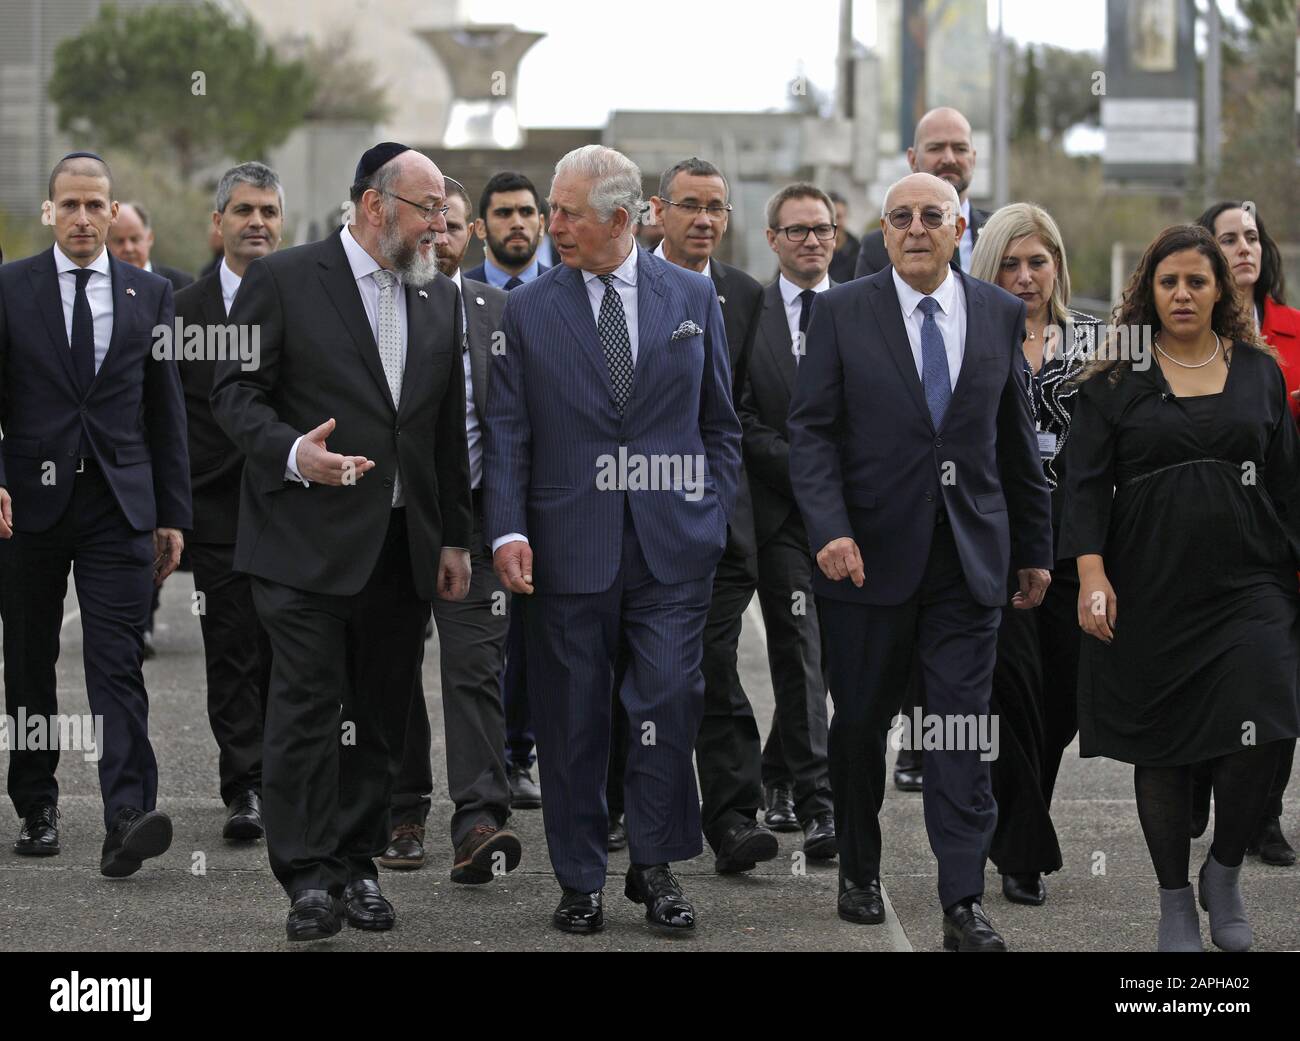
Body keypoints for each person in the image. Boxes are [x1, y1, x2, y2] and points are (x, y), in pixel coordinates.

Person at [211, 142, 474, 941]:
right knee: (304, 713)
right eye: (428, 209)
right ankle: (307, 879)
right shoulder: (285, 280)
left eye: (442, 212)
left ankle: (357, 866)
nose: (440, 225)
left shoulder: (439, 299)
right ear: (373, 205)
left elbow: (439, 437)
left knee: (379, 716)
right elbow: (233, 392)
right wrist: (296, 453)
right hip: (303, 545)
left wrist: (454, 539)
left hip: (400, 551)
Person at [789, 172, 1053, 950]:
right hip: (864, 565)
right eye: (900, 217)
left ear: (959, 226)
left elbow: (1014, 443)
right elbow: (811, 433)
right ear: (882, 228)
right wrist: (830, 530)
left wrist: (1034, 549)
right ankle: (859, 869)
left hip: (967, 565)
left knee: (961, 733)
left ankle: (962, 898)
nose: (914, 229)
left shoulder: (999, 312)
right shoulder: (842, 312)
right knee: (862, 725)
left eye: (930, 216)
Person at [485, 144, 741, 934]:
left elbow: (720, 426)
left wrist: (710, 514)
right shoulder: (526, 310)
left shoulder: (693, 298)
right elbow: (507, 433)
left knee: (666, 700)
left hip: (672, 551)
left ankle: (657, 868)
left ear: (623, 220)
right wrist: (508, 528)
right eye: (551, 210)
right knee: (572, 718)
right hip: (567, 549)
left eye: (567, 212)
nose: (550, 224)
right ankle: (581, 876)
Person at [1061, 224, 1300, 952]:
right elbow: (1084, 484)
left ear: (1221, 289)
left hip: (1249, 583)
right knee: (1160, 747)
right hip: (1148, 586)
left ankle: (1223, 870)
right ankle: (1173, 901)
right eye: (1169, 282)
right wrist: (1092, 574)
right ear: (1148, 291)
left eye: (1198, 280)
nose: (1183, 293)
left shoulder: (1258, 371)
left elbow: (1287, 482)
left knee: (1267, 720)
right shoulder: (1114, 379)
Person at [1, 152, 190, 875]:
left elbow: (164, 411)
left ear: (115, 213)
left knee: (116, 661)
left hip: (120, 505)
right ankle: (37, 803)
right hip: (29, 503)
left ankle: (126, 816)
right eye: (69, 205)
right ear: (51, 212)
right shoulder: (10, 289)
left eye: (96, 205)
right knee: (29, 658)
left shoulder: (150, 294)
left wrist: (172, 514)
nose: (83, 217)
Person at [379, 177, 521, 880]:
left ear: (473, 236)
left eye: (455, 224)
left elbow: (518, 425)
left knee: (473, 671)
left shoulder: (501, 311)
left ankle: (478, 820)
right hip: (400, 519)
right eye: (431, 221)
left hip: (479, 517)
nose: (441, 234)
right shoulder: (383, 304)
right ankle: (403, 810)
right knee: (394, 669)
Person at [637, 156, 773, 873]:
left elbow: (749, 413)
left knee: (713, 668)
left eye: (716, 206)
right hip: (629, 526)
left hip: (714, 529)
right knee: (642, 677)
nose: (704, 219)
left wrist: (724, 512)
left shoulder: (747, 298)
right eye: (689, 204)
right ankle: (635, 811)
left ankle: (732, 818)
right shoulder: (624, 289)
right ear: (657, 211)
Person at [969, 202, 1103, 906]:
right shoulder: (970, 333)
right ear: (991, 266)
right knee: (1008, 692)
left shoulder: (1097, 342)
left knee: (1060, 702)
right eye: (1011, 263)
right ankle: (1021, 850)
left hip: (1074, 539)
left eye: (1038, 261)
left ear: (1057, 264)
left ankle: (1023, 821)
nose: (1025, 276)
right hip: (994, 537)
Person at [174, 161, 283, 842]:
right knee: (232, 648)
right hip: (216, 512)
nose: (257, 223)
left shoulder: (304, 299)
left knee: (290, 649)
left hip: (290, 507)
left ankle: (288, 779)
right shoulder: (183, 312)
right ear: (219, 224)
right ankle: (244, 784)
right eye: (243, 211)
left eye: (268, 211)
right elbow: (171, 413)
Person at [1190, 201, 1300, 867]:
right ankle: (1203, 784)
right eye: (1227, 238)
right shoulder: (1181, 337)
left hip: (1280, 539)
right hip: (1205, 536)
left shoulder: (1292, 332)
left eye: (1251, 237)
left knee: (1276, 682)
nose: (1243, 249)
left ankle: (1266, 812)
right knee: (1213, 677)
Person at [737, 182, 839, 858]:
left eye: (821, 228)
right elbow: (738, 415)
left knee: (828, 662)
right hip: (777, 518)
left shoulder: (863, 308)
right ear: (772, 238)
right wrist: (803, 465)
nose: (810, 239)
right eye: (796, 229)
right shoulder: (748, 311)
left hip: (851, 520)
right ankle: (819, 801)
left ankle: (775, 773)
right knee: (799, 650)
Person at [465, 170, 548, 810]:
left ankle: (520, 753)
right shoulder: (459, 300)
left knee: (528, 640)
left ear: (543, 222)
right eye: (502, 214)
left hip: (546, 493)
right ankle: (493, 764)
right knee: (481, 645)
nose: (516, 223)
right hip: (474, 493)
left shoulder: (559, 296)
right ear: (479, 228)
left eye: (526, 212)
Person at [854, 107, 990, 280]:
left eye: (960, 148)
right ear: (912, 159)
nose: (949, 158)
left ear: (974, 158)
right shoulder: (877, 247)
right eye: (936, 148)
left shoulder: (1002, 235)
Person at [827, 191, 860, 284]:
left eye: (838, 216)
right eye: (829, 217)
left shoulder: (859, 253)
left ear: (846, 217)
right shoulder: (812, 250)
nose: (834, 222)